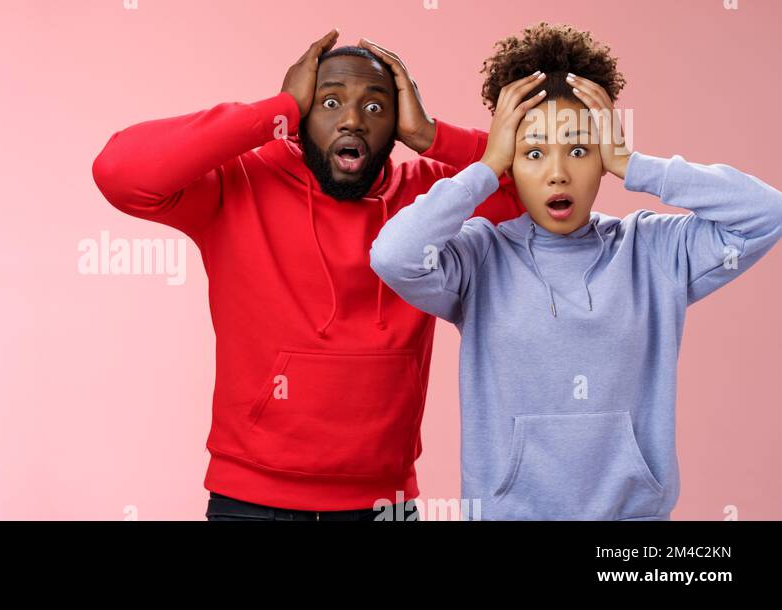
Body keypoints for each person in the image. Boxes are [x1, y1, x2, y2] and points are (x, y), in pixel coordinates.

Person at [91, 29, 523, 520]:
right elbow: (120, 171)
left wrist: (430, 136)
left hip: (385, 505)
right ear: (299, 118)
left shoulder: (431, 198)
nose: (353, 121)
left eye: (376, 108)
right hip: (251, 503)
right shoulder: (239, 185)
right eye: (329, 101)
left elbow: (533, 187)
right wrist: (272, 110)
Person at [369, 22, 782, 520]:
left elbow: (766, 213)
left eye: (581, 150)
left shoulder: (652, 251)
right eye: (533, 153)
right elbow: (394, 255)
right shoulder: (480, 258)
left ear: (603, 161)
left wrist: (636, 165)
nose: (557, 172)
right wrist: (484, 166)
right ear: (511, 166)